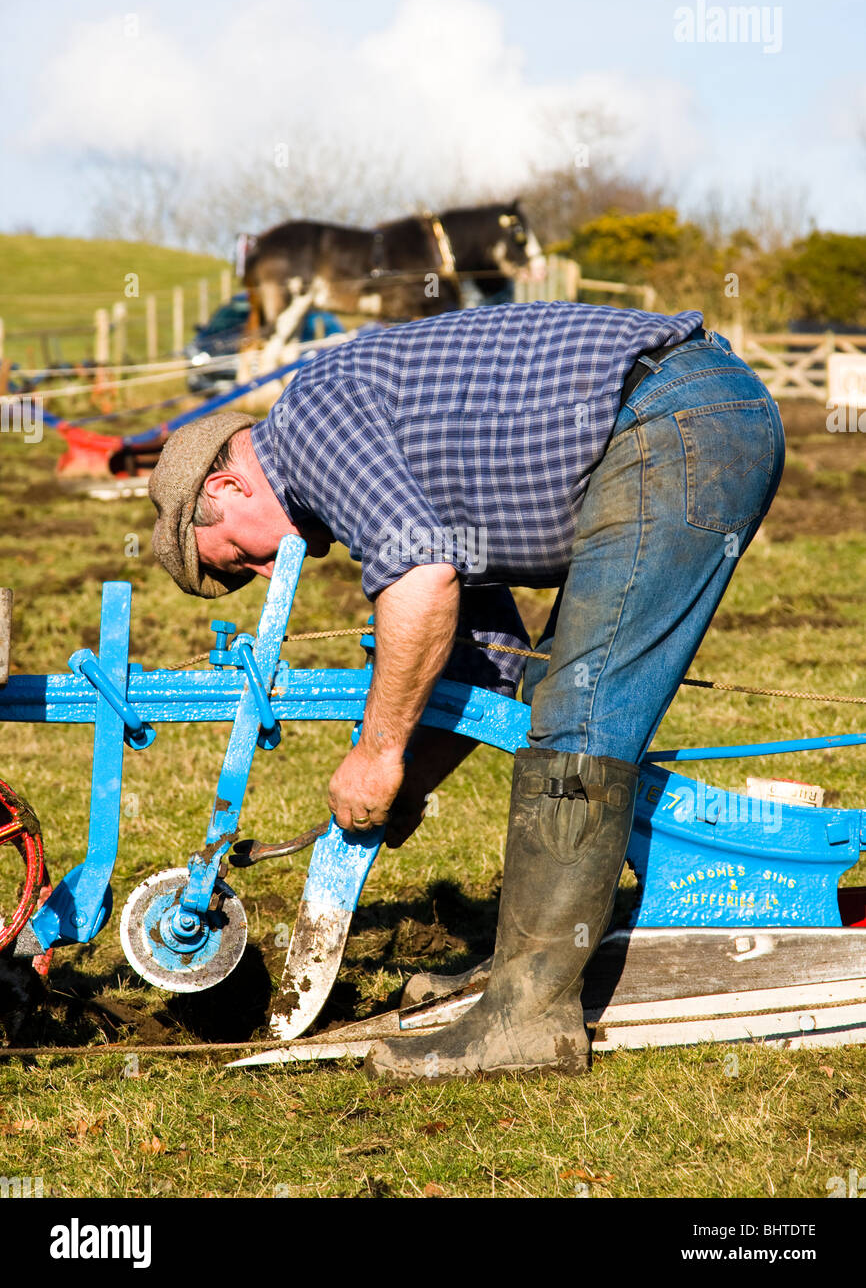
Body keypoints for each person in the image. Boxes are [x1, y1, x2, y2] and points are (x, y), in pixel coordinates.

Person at [149, 300, 785, 1080]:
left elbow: (419, 582)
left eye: (229, 562)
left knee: (580, 714)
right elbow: (489, 655)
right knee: (558, 694)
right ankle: (521, 980)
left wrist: (378, 756)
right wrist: (412, 781)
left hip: (674, 415)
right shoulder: (360, 460)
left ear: (228, 485)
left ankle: (528, 1023)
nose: (251, 575)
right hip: (681, 410)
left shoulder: (309, 425)